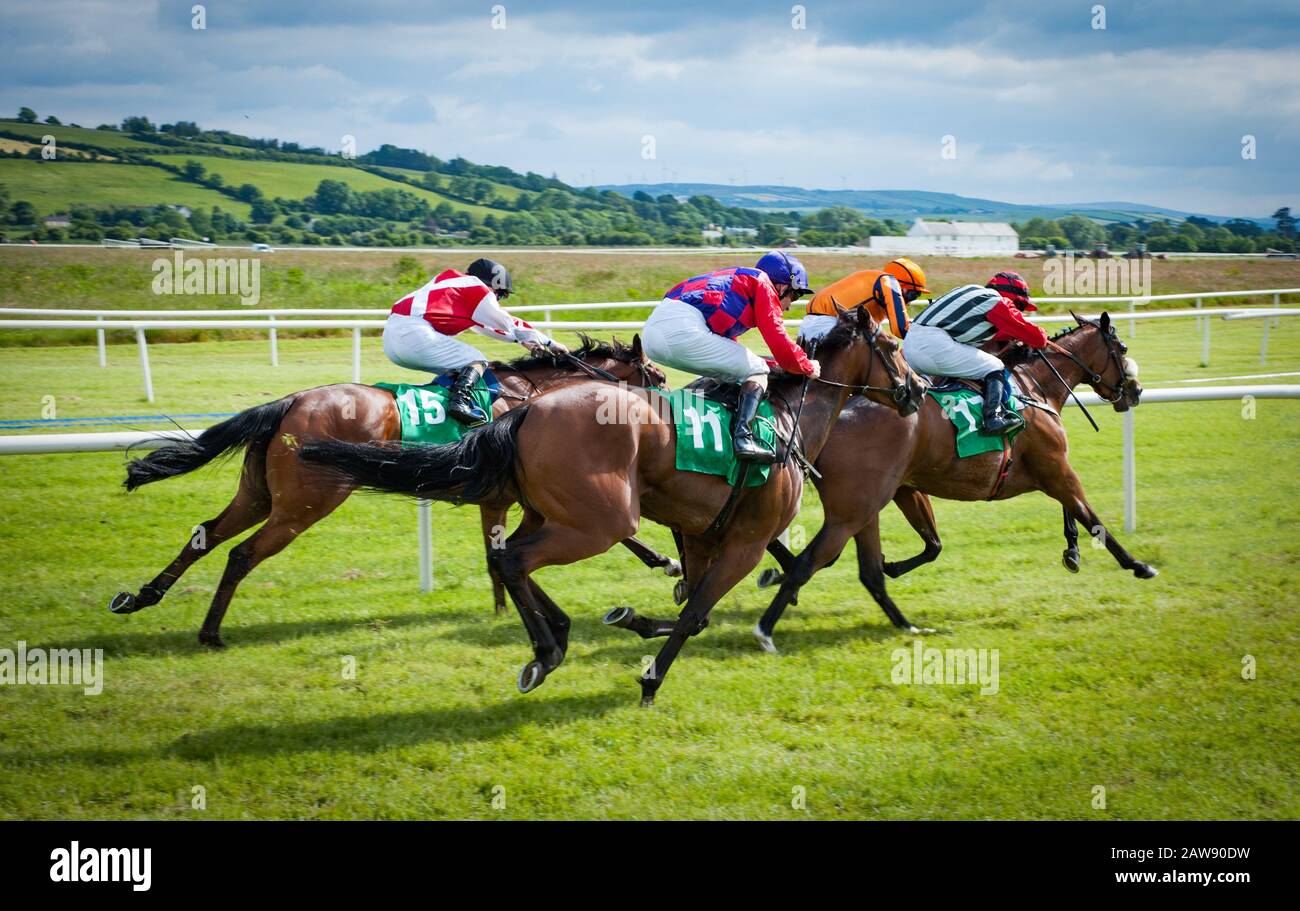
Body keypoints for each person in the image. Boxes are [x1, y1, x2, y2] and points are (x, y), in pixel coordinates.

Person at [642, 251, 821, 463]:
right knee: (757, 370)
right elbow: (779, 341)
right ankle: (743, 439)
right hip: (680, 329)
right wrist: (807, 366)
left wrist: (770, 363)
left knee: (741, 369)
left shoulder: (739, 284)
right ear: (782, 286)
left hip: (654, 333)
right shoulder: (763, 284)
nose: (790, 305)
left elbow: (730, 350)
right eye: (795, 295)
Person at [383, 258, 568, 426]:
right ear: (492, 285)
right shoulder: (477, 288)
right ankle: (460, 405)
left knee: (462, 369)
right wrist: (550, 342)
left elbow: (486, 327)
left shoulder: (453, 283)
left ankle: (439, 412)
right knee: (477, 360)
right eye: (500, 294)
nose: (498, 299)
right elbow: (506, 321)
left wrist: (521, 341)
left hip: (392, 339)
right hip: (414, 334)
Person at [902, 270, 1046, 435]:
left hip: (910, 344)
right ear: (1010, 295)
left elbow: (991, 331)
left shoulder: (971, 290)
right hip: (934, 346)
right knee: (995, 365)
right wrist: (1039, 334)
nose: (1019, 311)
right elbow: (1038, 339)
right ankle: (993, 418)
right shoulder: (998, 302)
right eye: (1019, 306)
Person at [800, 257, 929, 342]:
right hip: (832, 325)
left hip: (808, 325)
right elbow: (901, 329)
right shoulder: (889, 282)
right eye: (914, 294)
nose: (911, 301)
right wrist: (933, 336)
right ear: (901, 285)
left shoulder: (876, 282)